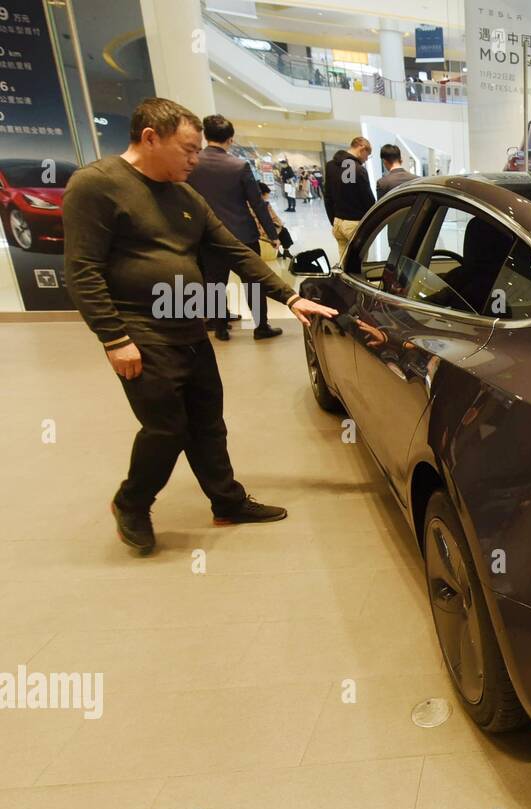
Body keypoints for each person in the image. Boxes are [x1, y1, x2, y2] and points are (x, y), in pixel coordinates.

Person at [62, 97, 338, 555]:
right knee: (167, 428)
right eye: (187, 149)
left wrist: (290, 296)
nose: (195, 159)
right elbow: (83, 269)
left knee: (208, 423)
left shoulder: (185, 195)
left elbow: (234, 251)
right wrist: (114, 338)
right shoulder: (96, 185)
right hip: (139, 330)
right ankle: (132, 502)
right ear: (150, 137)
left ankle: (226, 501)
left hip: (188, 326)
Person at [186, 114, 282, 340]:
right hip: (242, 235)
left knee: (214, 283)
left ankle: (220, 328)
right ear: (230, 139)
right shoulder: (239, 166)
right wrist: (272, 234)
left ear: (205, 136)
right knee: (253, 283)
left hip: (208, 236)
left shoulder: (193, 165)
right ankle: (261, 327)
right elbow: (257, 203)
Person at [324, 136, 375, 261]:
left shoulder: (330, 166)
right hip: (354, 225)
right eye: (367, 155)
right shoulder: (358, 170)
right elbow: (368, 201)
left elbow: (327, 196)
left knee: (343, 261)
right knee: (357, 265)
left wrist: (334, 220)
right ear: (361, 148)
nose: (366, 159)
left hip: (338, 222)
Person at [253, 182, 290, 258]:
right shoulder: (253, 206)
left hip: (267, 226)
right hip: (259, 231)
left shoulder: (266, 204)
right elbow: (256, 221)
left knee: (283, 230)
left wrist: (280, 223)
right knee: (278, 232)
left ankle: (285, 251)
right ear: (262, 194)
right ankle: (279, 251)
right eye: (267, 194)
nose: (268, 196)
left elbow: (274, 216)